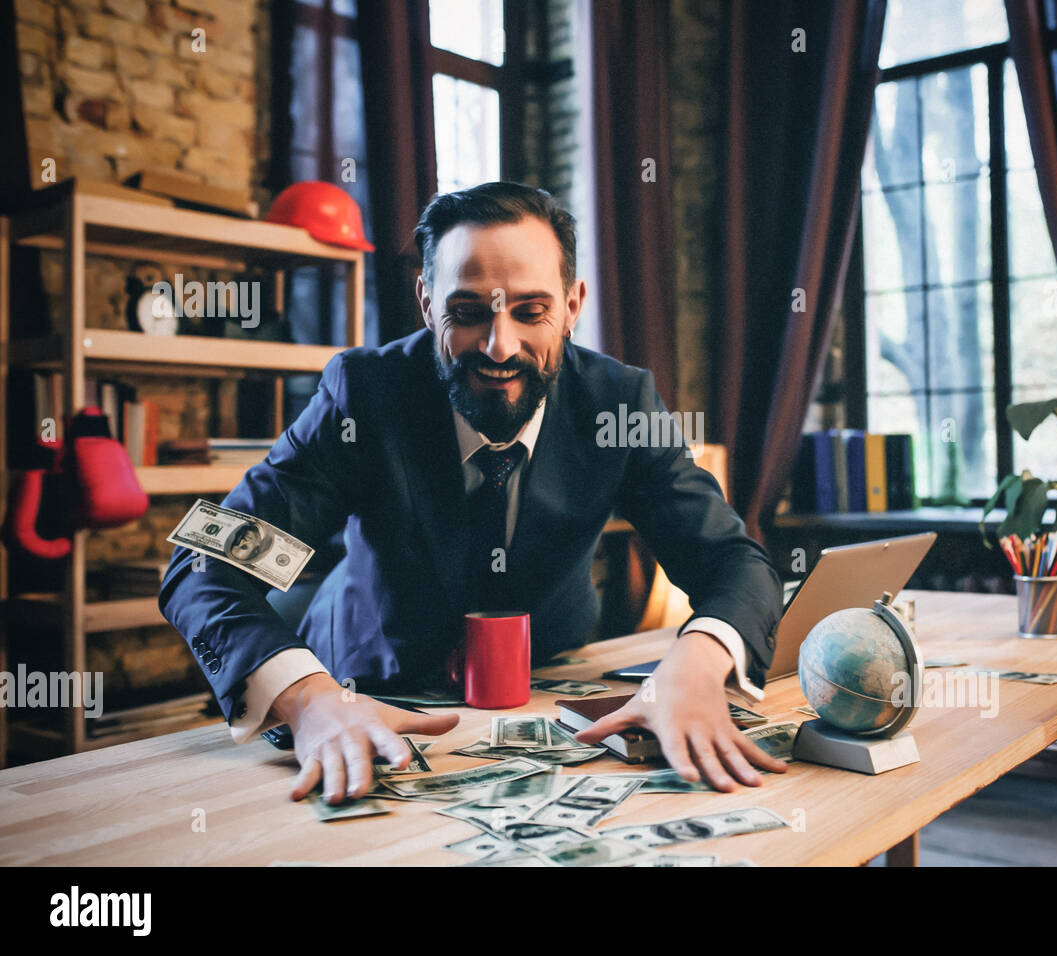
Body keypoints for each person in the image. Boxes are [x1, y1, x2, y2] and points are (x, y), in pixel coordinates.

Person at [159, 181, 787, 805]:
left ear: (573, 306)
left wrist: (695, 665)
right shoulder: (365, 397)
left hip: (552, 686)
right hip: (367, 689)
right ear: (427, 304)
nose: (499, 346)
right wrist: (308, 699)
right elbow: (203, 564)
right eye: (468, 312)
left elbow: (732, 561)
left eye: (530, 311)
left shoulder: (618, 404)